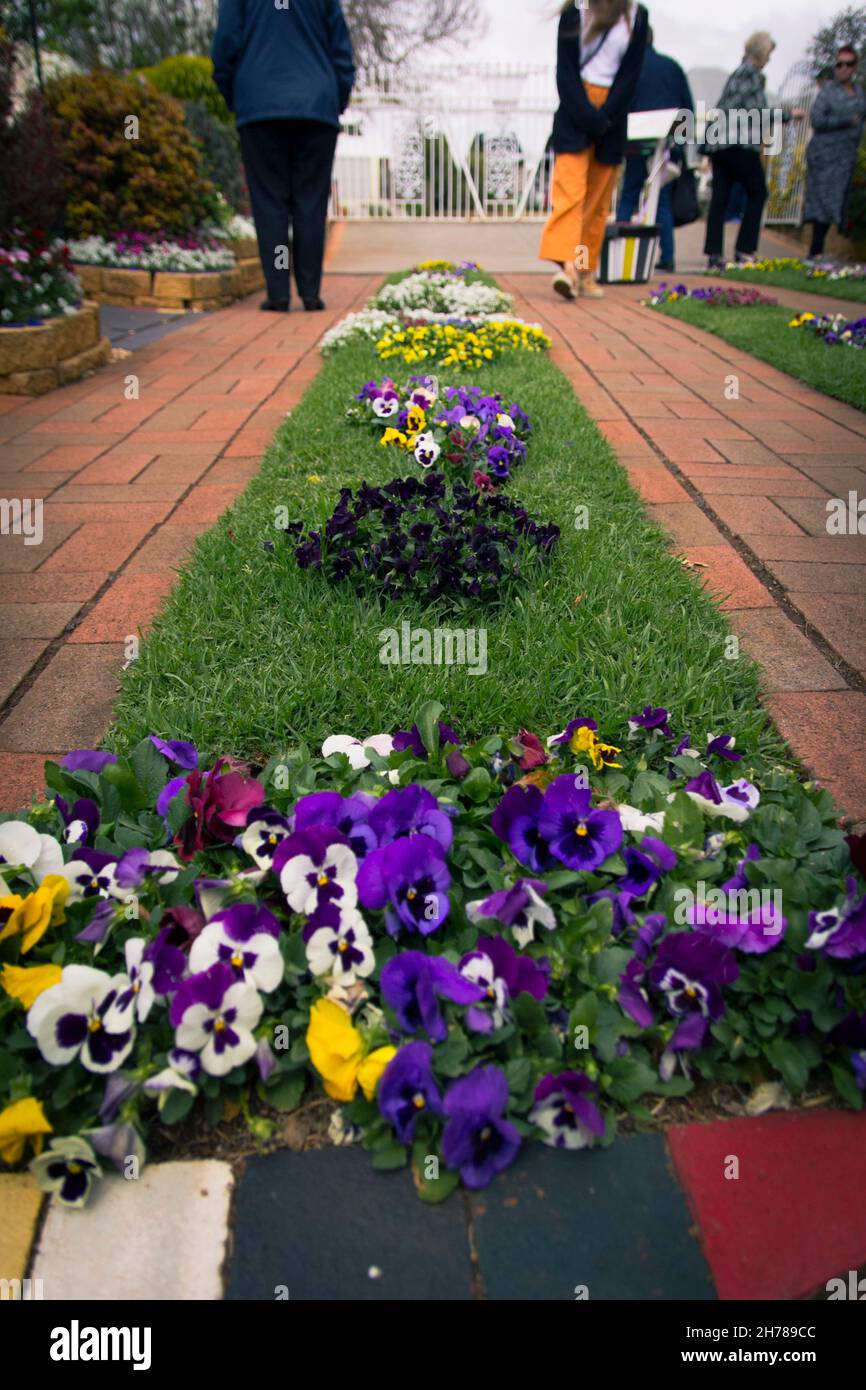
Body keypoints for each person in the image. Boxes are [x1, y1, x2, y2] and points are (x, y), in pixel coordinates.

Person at [212, 0, 355, 312]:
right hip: (316, 107)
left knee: (270, 203)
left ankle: (278, 291)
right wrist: (335, 98)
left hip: (260, 105)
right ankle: (309, 291)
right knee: (310, 202)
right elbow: (342, 54)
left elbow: (225, 44)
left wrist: (234, 93)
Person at [541, 0, 649, 299]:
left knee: (598, 203)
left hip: (613, 115)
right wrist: (587, 115)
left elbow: (630, 76)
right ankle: (568, 267)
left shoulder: (637, 15)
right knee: (570, 195)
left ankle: (585, 272)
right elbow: (565, 73)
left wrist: (606, 118)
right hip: (575, 109)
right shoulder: (576, 10)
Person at [703, 31, 803, 269]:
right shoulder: (752, 75)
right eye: (768, 54)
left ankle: (714, 254)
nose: (769, 60)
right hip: (738, 144)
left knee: (720, 198)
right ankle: (744, 249)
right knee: (758, 192)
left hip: (719, 143)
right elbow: (757, 113)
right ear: (760, 53)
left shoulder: (736, 75)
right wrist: (788, 114)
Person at [617, 26, 694, 271]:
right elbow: (686, 109)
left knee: (629, 195)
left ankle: (619, 253)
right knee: (659, 201)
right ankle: (667, 257)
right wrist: (679, 147)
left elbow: (619, 104)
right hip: (664, 145)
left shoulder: (629, 67)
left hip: (635, 144)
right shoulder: (672, 67)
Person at [803, 45, 866, 262]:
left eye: (848, 64)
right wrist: (846, 121)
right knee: (822, 202)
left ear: (855, 67)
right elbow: (817, 120)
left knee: (835, 203)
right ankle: (814, 251)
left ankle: (818, 252)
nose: (843, 69)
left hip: (845, 158)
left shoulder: (859, 93)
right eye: (839, 64)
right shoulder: (829, 92)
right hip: (825, 156)